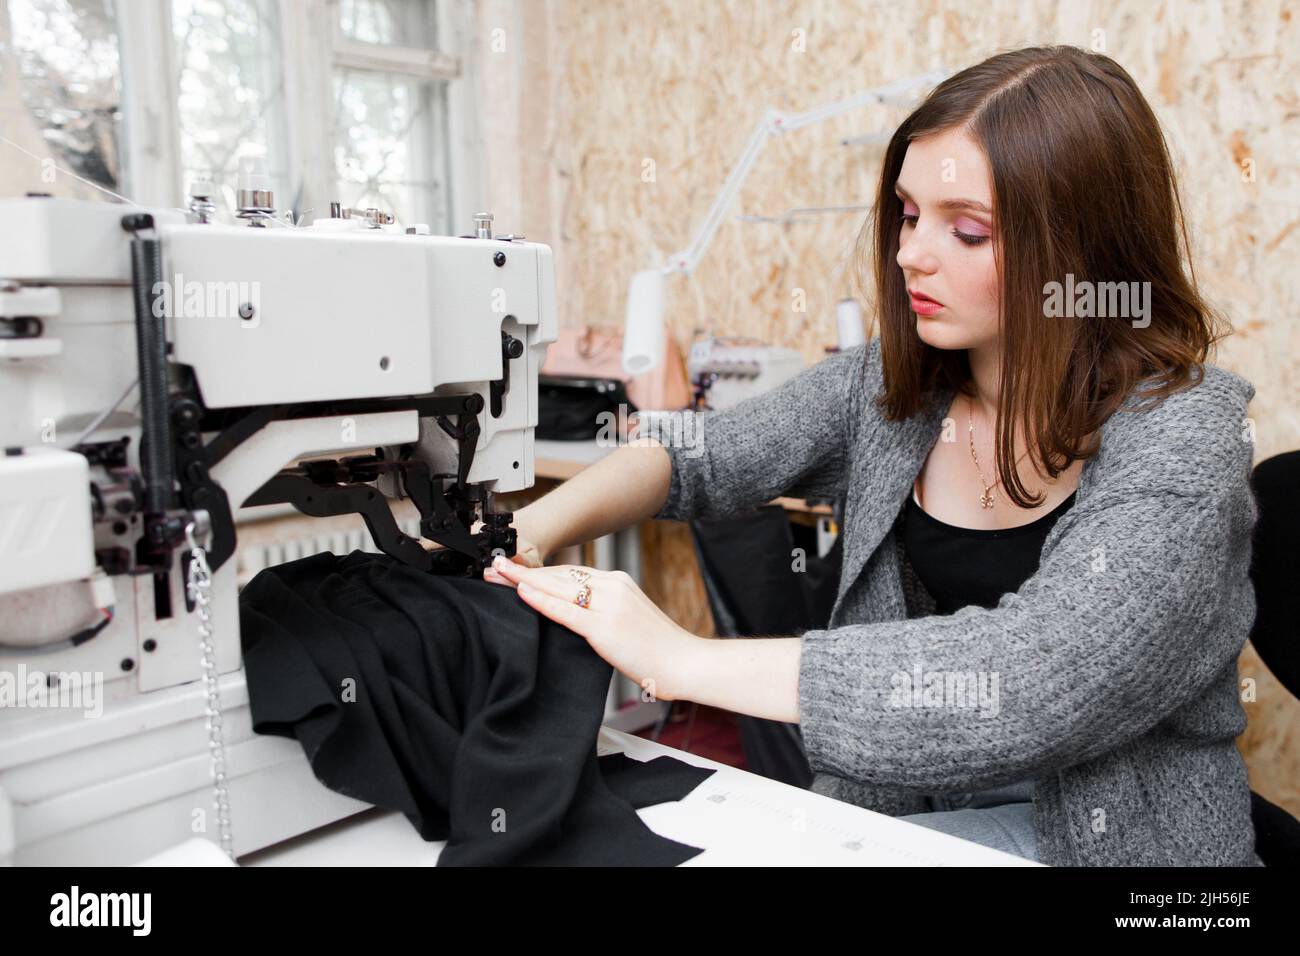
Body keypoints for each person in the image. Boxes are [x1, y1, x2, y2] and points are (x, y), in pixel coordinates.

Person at [483, 45, 1261, 867]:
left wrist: (677, 660)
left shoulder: (1186, 440)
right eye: (908, 213)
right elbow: (698, 454)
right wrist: (524, 531)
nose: (911, 253)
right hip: (917, 807)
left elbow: (1029, 684)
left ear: (1080, 249)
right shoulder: (891, 389)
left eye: (965, 230)